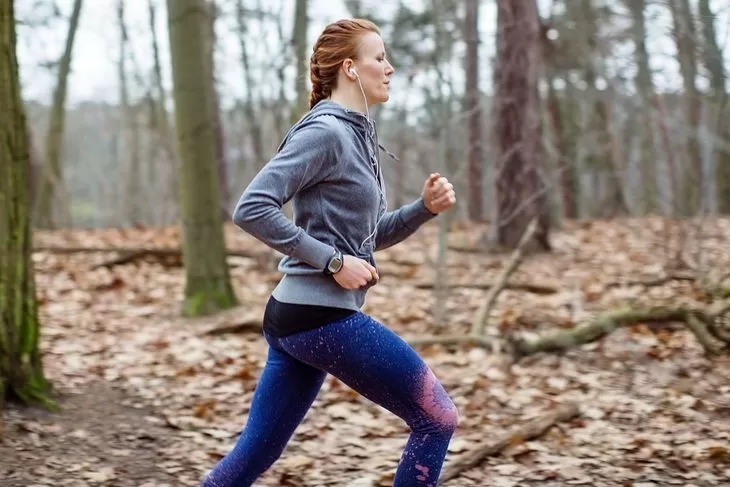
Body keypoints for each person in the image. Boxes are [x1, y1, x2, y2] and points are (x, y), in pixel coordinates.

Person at [201, 18, 459, 487]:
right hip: (319, 316)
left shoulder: (358, 135)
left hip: (298, 319)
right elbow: (251, 207)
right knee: (436, 417)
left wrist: (423, 209)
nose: (390, 67)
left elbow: (368, 237)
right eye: (379, 57)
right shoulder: (325, 133)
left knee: (256, 452)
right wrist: (332, 262)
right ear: (350, 68)